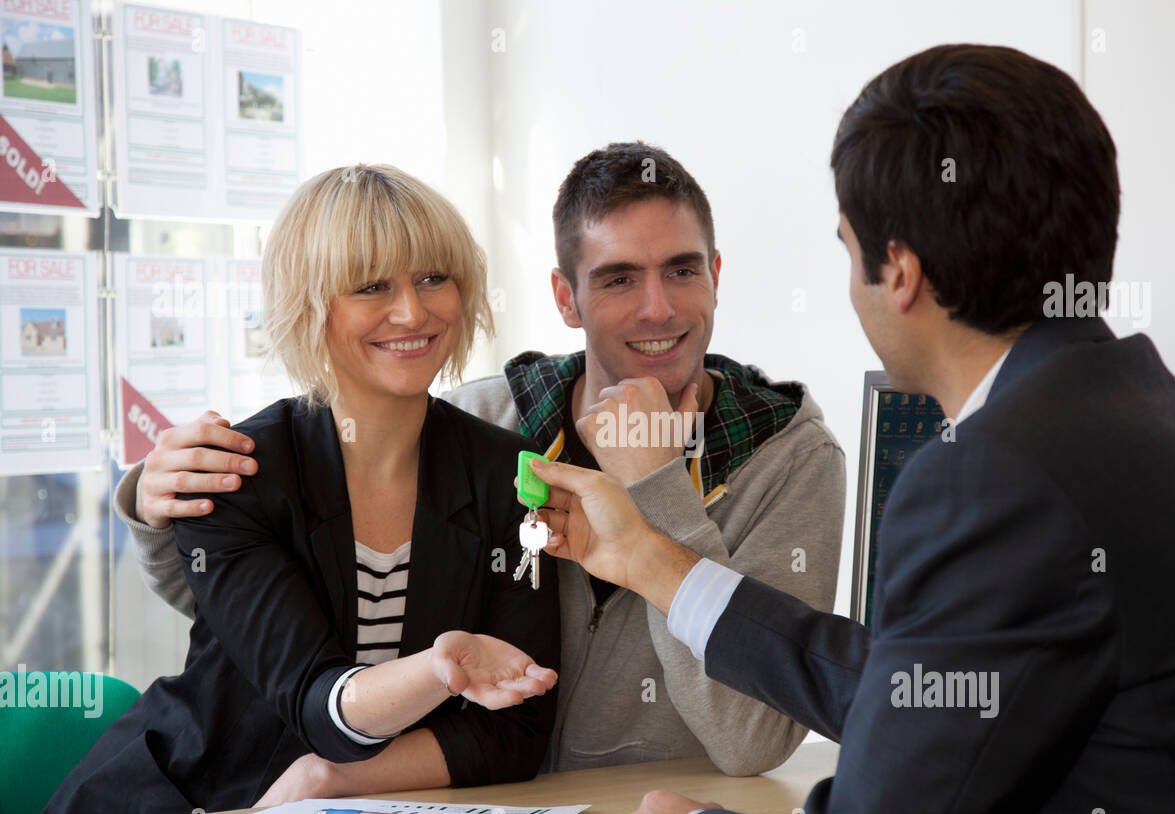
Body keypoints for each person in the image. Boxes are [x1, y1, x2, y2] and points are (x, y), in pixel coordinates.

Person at [523, 44, 1175, 814]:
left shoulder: (993, 474)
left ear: (899, 272)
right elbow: (922, 695)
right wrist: (652, 560)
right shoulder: (1155, 417)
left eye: (847, 249)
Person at [111, 143, 845, 777]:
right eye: (619, 279)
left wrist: (657, 491)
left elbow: (749, 740)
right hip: (451, 812)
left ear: (716, 273)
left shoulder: (790, 457)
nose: (658, 308)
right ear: (566, 296)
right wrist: (155, 505)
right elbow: (274, 621)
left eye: (682, 271)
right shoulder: (490, 418)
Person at [32, 164, 560, 814]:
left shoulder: (509, 477)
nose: (413, 311)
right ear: (310, 306)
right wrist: (437, 672)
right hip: (175, 812)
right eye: (372, 286)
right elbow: (318, 705)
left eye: (434, 277)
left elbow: (515, 735)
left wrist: (329, 776)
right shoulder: (237, 475)